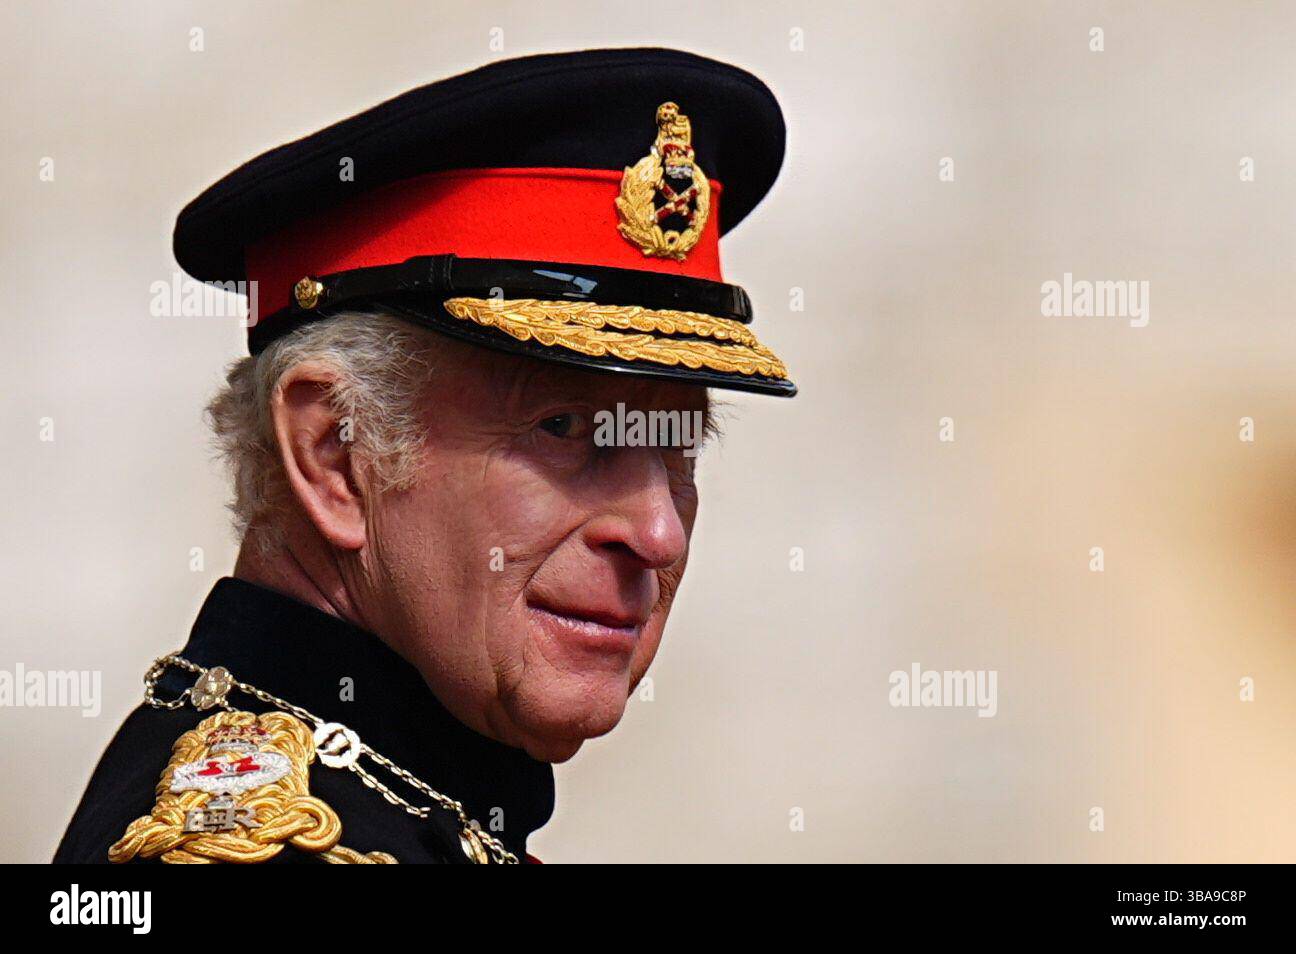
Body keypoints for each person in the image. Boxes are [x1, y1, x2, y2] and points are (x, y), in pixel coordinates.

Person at [54, 47, 793, 864]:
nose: (660, 534)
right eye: (563, 427)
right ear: (336, 454)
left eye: (676, 445)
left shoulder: (413, 796)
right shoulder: (264, 847)